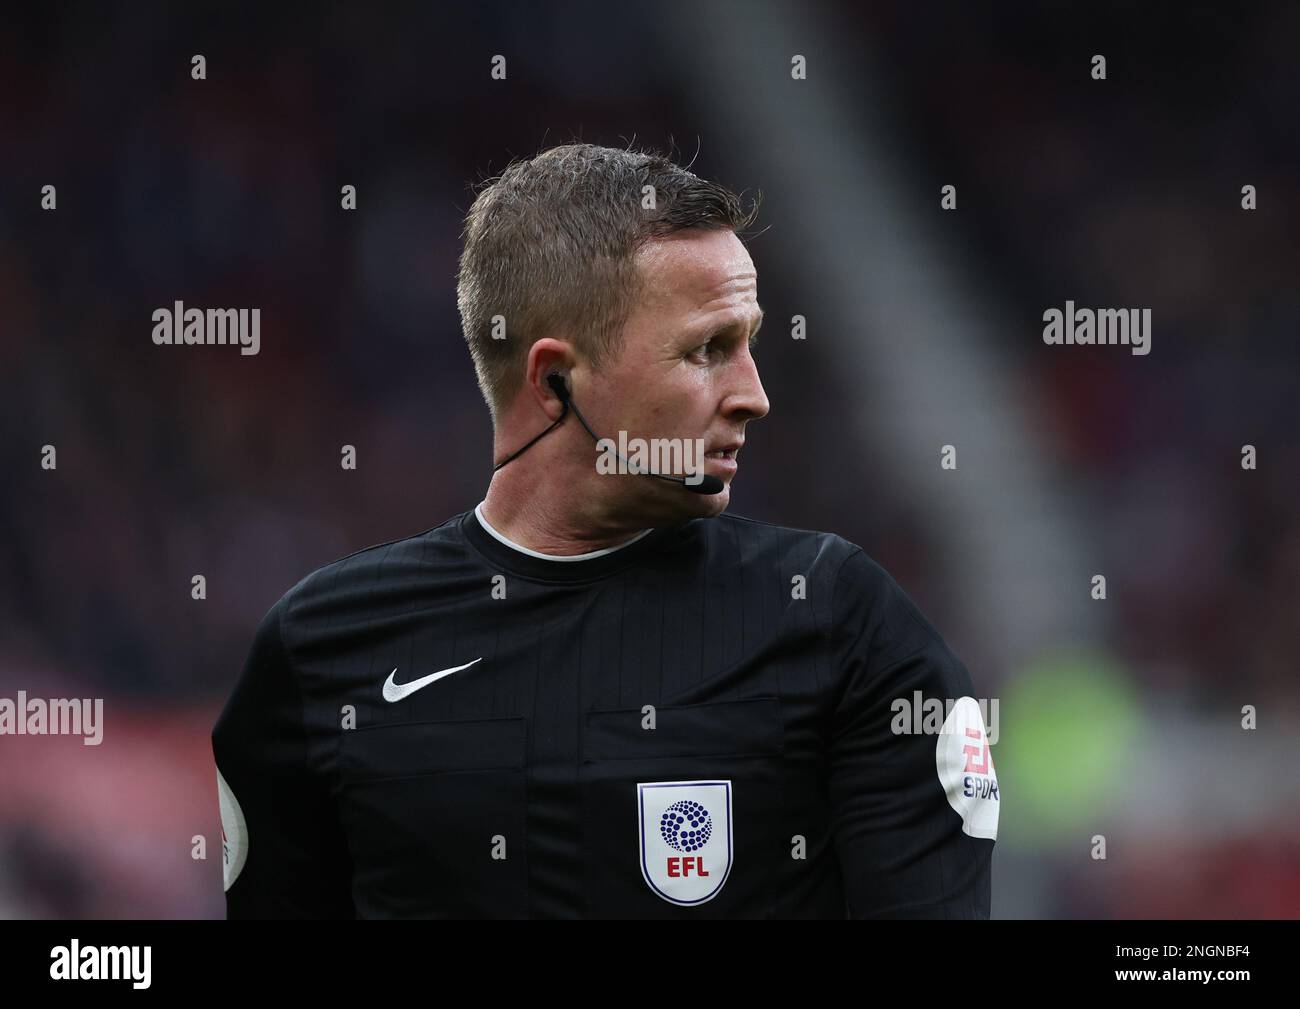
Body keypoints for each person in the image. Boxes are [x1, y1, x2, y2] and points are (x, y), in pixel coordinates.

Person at [212, 142, 998, 918]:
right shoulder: (323, 649)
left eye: (748, 344)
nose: (754, 395)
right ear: (555, 380)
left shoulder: (842, 626)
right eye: (708, 350)